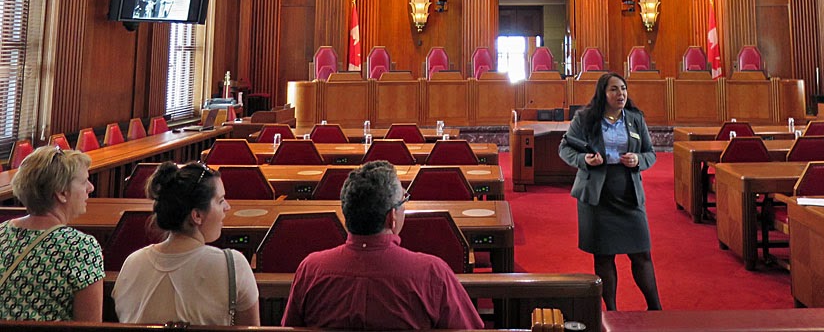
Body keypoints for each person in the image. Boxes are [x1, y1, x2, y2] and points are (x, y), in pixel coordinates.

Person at [282, 160, 483, 330]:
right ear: (392, 217)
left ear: (346, 215)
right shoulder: (432, 274)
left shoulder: (311, 270)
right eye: (403, 200)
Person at [559, 72, 661, 311]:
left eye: (623, 89)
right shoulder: (585, 119)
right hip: (597, 197)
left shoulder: (635, 119)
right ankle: (611, 311)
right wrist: (585, 159)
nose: (621, 94)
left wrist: (638, 159)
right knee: (604, 256)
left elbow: (650, 154)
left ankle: (656, 308)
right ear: (603, 94)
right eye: (614, 89)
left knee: (641, 253)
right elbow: (565, 148)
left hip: (629, 194)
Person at [112, 162, 259, 325]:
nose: (227, 207)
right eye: (220, 201)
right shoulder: (233, 265)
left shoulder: (132, 263)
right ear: (196, 215)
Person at [0, 146, 104, 321]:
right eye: (84, 181)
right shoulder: (81, 247)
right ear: (62, 193)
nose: (90, 187)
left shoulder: (2, 232)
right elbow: (89, 326)